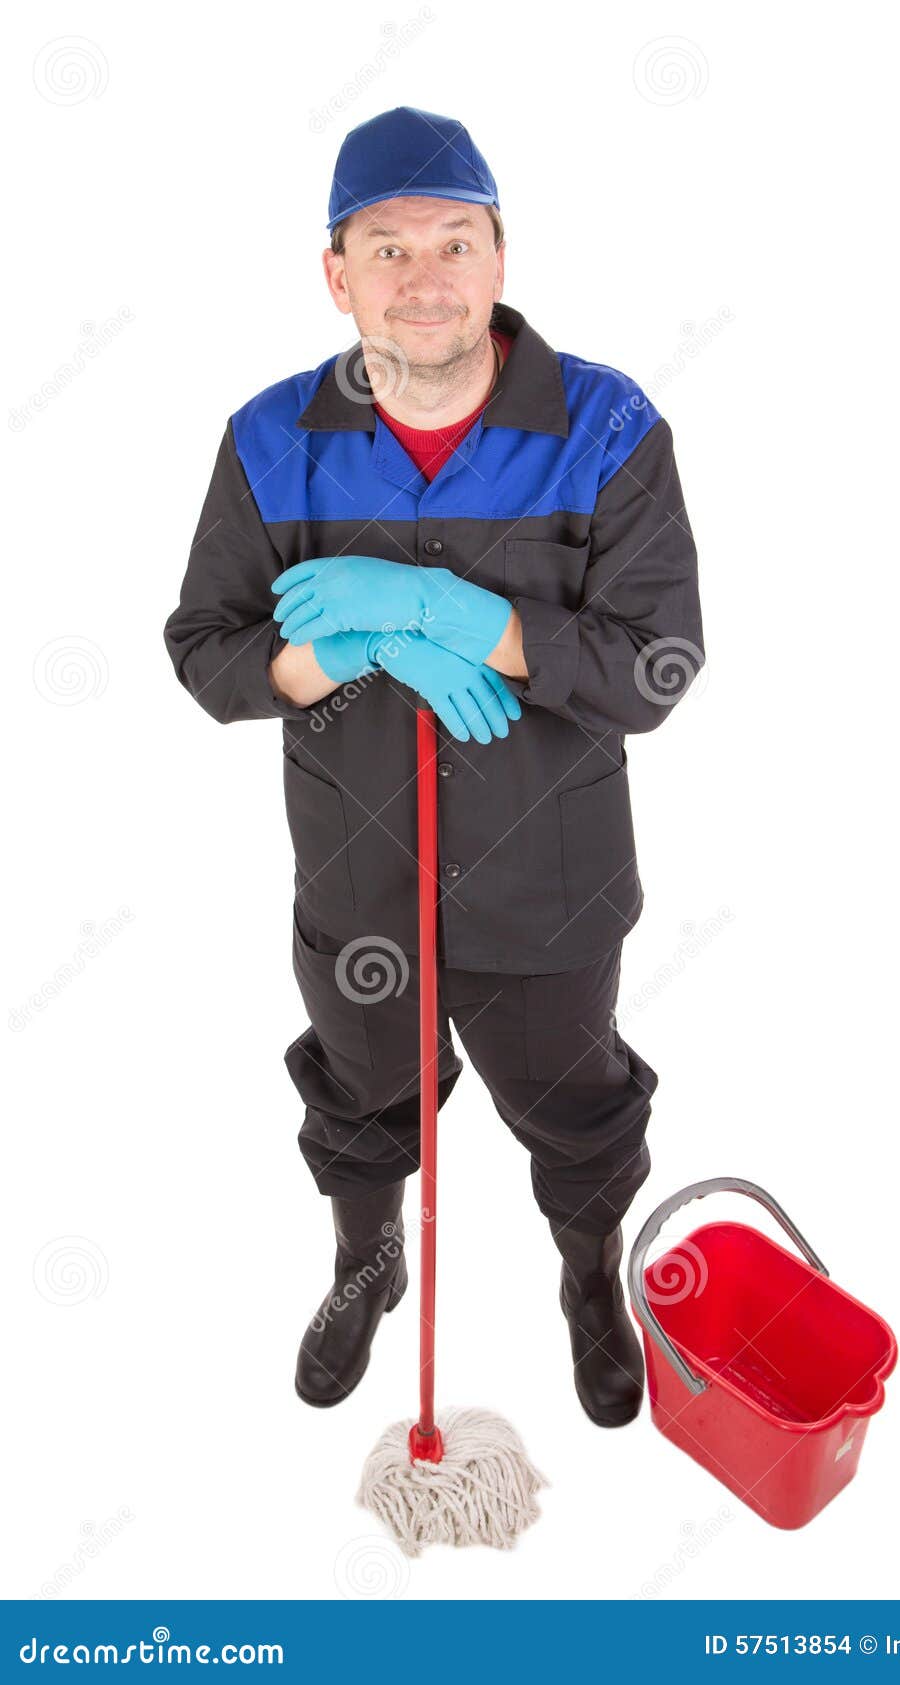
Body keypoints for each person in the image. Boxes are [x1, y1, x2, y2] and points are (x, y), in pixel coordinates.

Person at [163, 105, 704, 1429]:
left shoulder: (605, 425)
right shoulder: (269, 437)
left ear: (501, 258)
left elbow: (659, 666)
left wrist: (464, 620)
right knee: (359, 1098)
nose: (424, 278)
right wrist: (343, 645)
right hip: (362, 880)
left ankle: (591, 1280)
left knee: (578, 1112)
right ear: (335, 274)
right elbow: (207, 649)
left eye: (453, 242)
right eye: (386, 248)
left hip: (552, 886)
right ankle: (367, 1260)